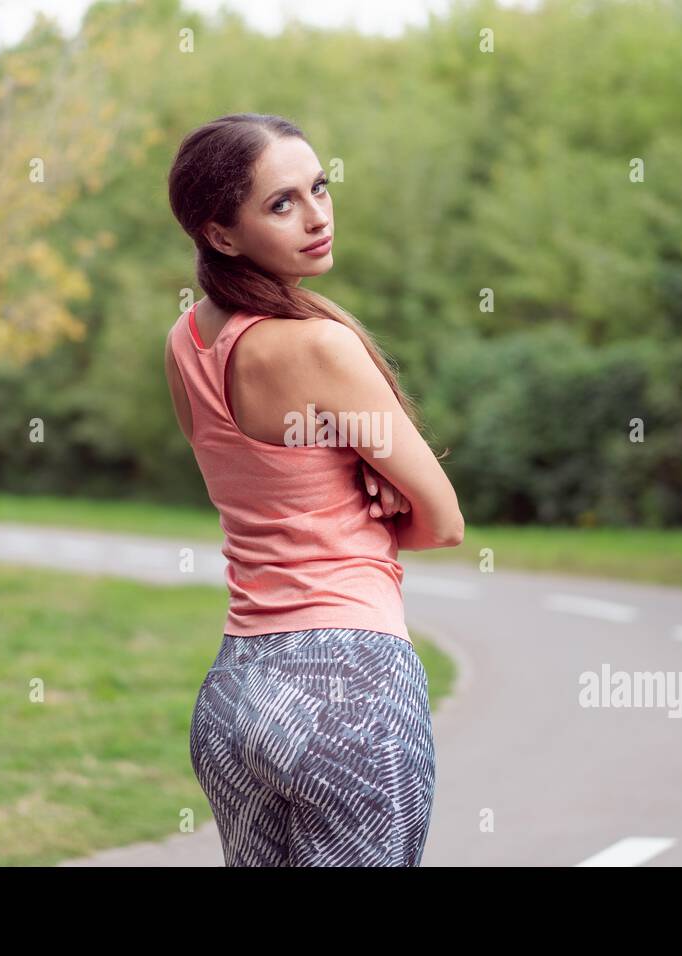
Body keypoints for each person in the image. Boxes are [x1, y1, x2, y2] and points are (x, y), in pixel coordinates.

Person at [164, 112, 464, 866]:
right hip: (351, 689)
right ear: (221, 234)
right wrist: (381, 507)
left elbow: (261, 475)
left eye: (319, 187)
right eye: (281, 203)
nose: (317, 215)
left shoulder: (187, 341)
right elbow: (444, 522)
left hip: (235, 695)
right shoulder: (319, 345)